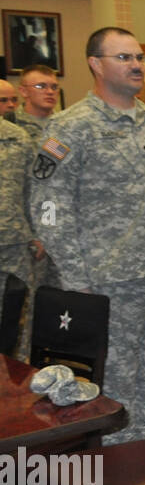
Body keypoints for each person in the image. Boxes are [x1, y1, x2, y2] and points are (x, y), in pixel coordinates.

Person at [28, 27, 145, 443]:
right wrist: (78, 280)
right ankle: (115, 476)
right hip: (107, 281)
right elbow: (48, 207)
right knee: (113, 384)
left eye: (139, 58)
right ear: (96, 64)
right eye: (124, 58)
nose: (136, 65)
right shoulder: (71, 128)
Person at [0, 113, 38, 357]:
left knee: (18, 312)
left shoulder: (17, 137)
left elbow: (35, 191)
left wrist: (40, 232)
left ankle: (18, 375)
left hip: (15, 241)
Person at [14, 65, 60, 141]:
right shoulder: (8, 123)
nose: (50, 91)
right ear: (24, 91)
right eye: (41, 86)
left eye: (54, 87)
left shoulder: (66, 123)